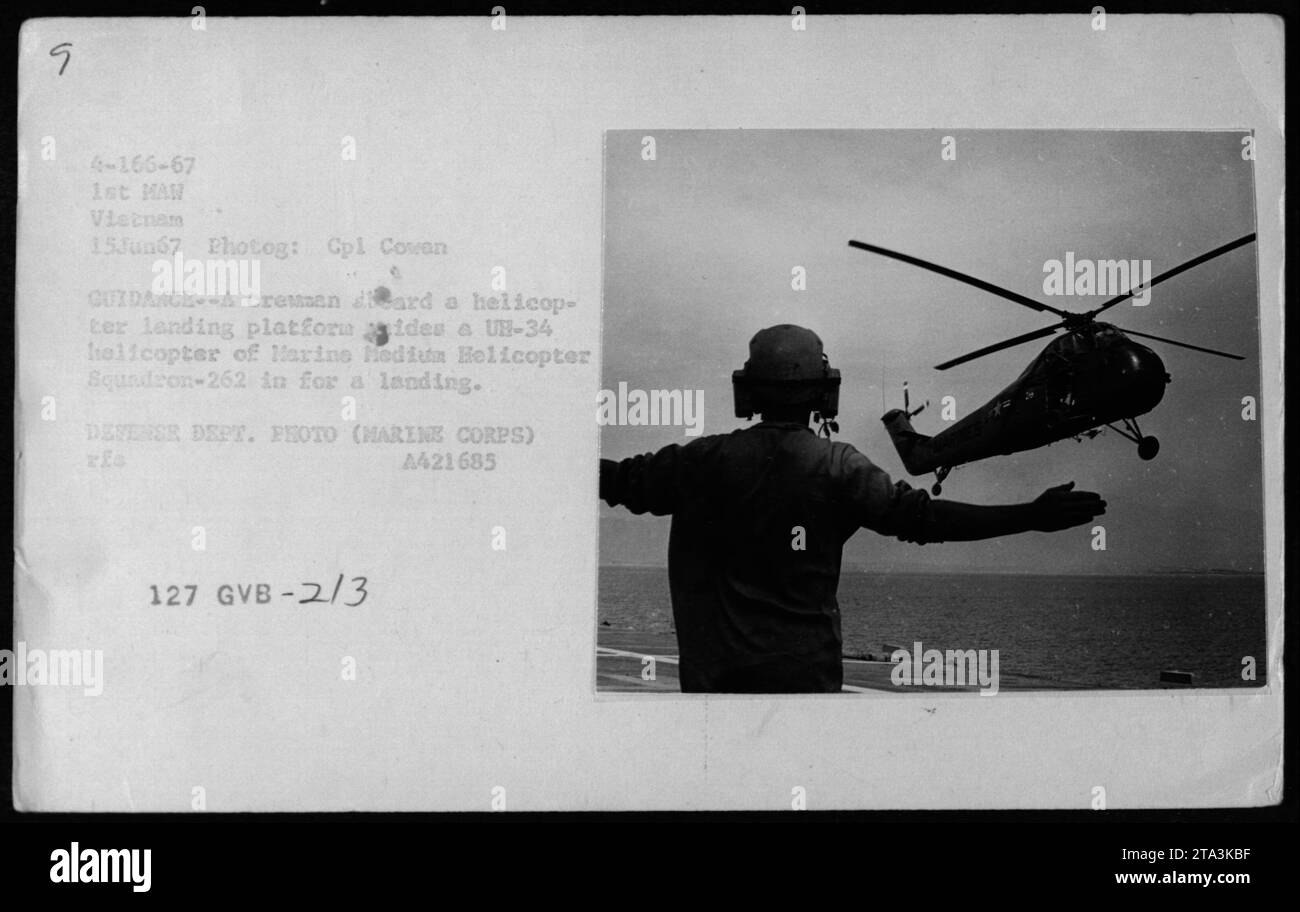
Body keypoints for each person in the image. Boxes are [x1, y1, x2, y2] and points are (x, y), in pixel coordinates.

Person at [599, 324, 1106, 693]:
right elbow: (927, 520)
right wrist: (1030, 515)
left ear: (746, 390)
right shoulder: (840, 466)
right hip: (807, 682)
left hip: (713, 687)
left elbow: (612, 479)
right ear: (826, 394)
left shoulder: (698, 461)